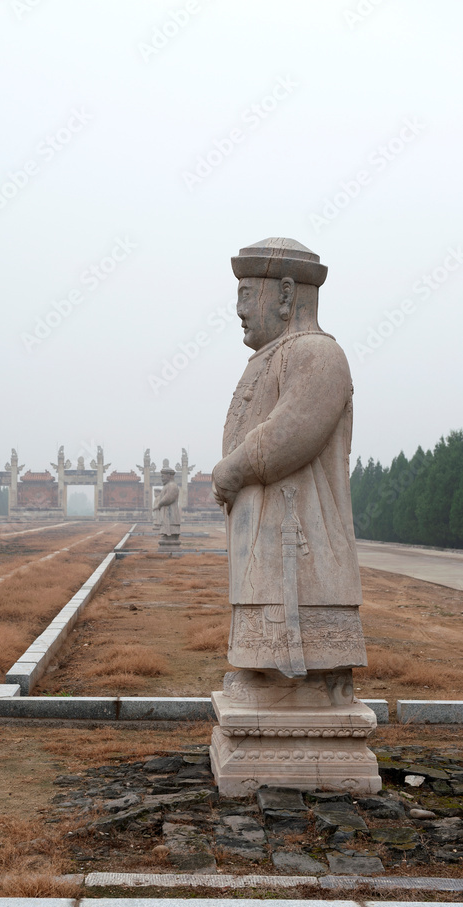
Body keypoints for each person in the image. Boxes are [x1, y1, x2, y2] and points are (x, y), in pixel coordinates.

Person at [212, 237, 366, 679]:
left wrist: (232, 469)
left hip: (302, 551)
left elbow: (289, 435)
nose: (238, 310)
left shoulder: (317, 352)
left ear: (284, 293)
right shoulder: (276, 354)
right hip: (266, 547)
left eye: (245, 294)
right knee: (261, 659)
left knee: (296, 664)